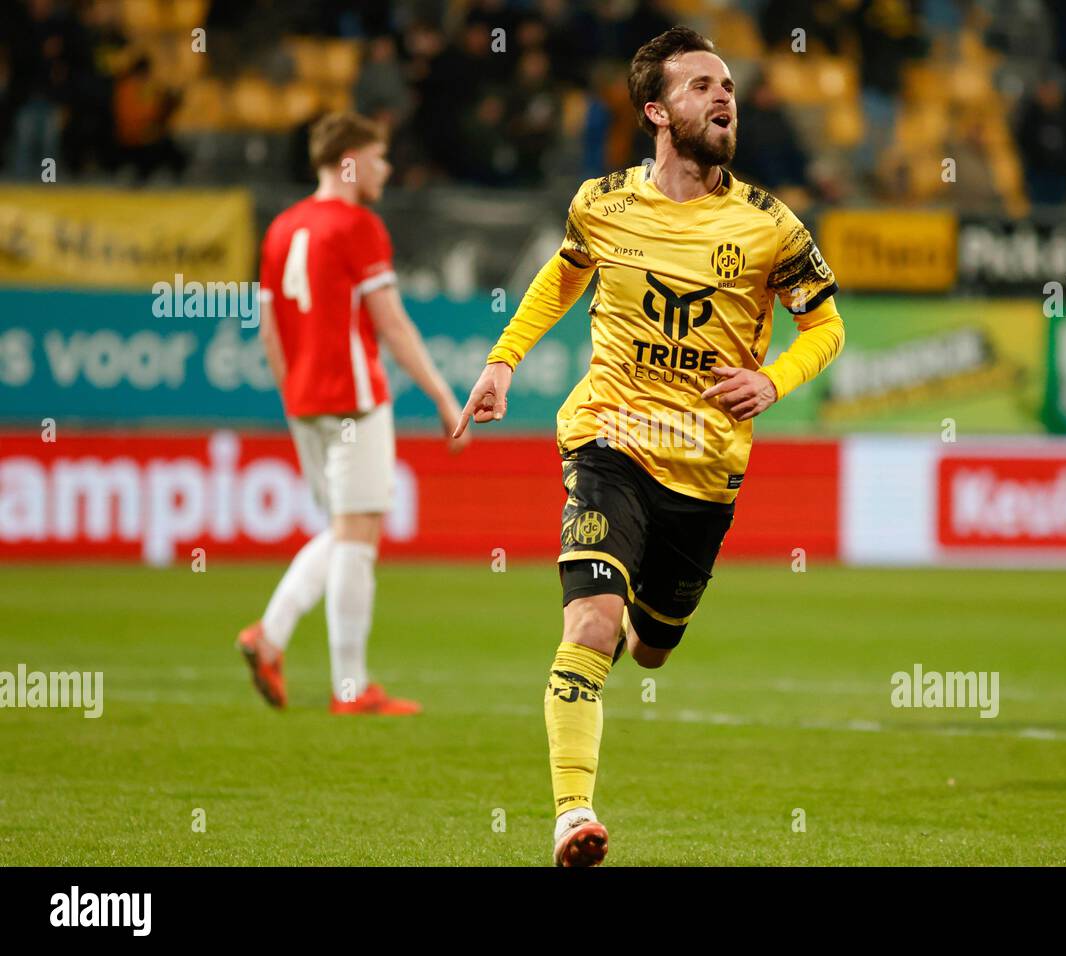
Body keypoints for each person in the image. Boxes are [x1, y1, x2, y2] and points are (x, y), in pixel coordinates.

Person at [454, 27, 845, 866]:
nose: (724, 97)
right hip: (609, 441)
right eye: (703, 84)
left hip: (706, 470)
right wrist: (502, 360)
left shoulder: (770, 226)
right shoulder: (601, 203)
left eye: (728, 84)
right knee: (591, 625)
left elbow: (827, 326)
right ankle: (571, 817)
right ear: (657, 111)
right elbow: (565, 270)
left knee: (652, 645)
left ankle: (646, 616)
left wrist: (775, 381)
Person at [238, 112, 468, 715]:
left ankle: (272, 638)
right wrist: (444, 397)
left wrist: (293, 395)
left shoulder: (281, 228)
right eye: (377, 157)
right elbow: (391, 323)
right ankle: (347, 685)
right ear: (349, 161)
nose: (385, 168)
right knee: (359, 537)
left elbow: (267, 332)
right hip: (354, 399)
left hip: (304, 402)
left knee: (345, 531)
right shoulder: (358, 226)